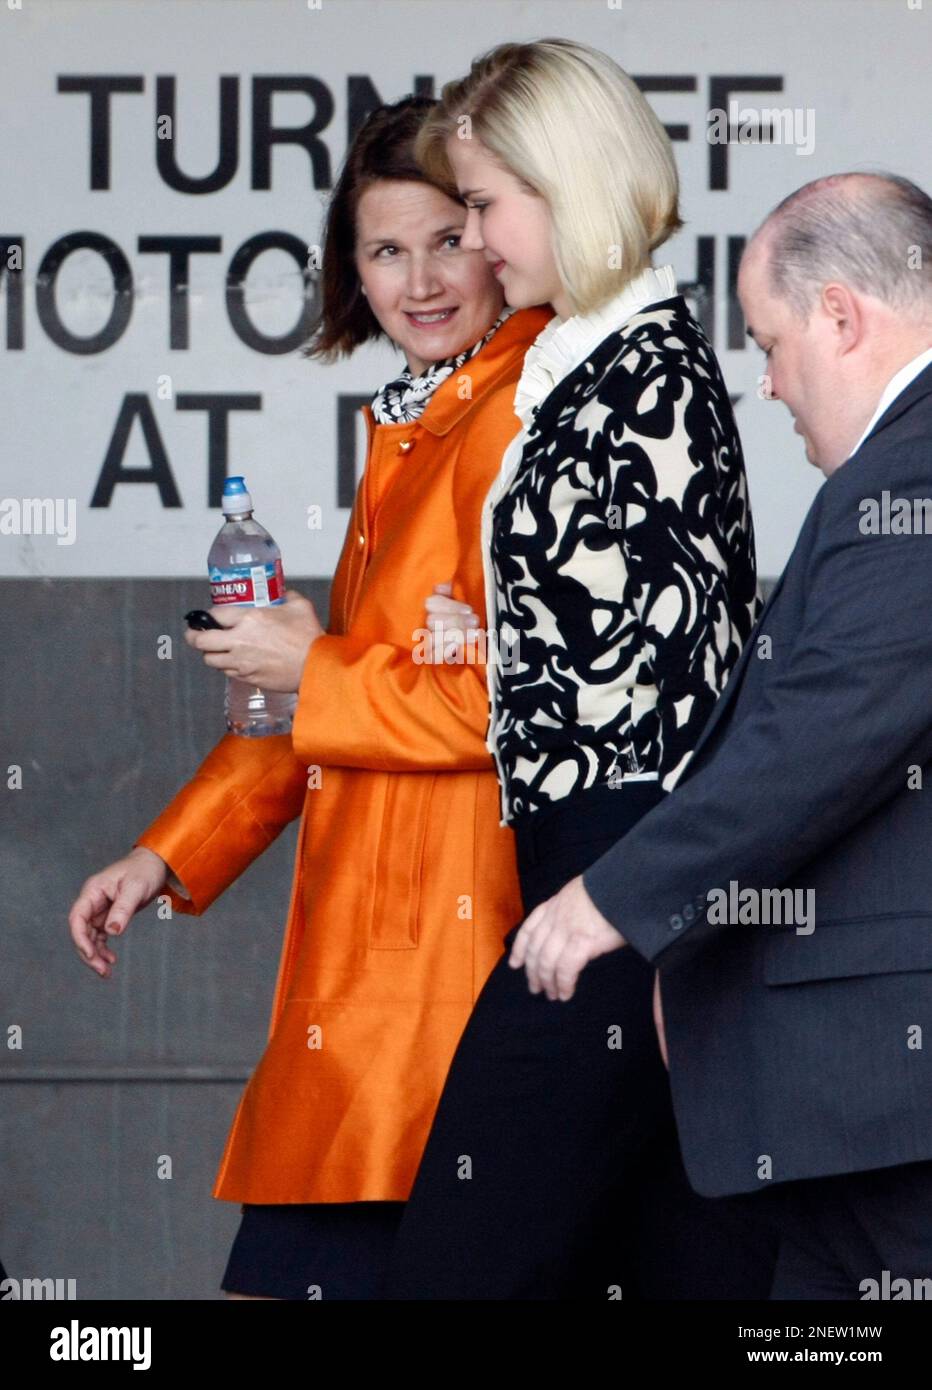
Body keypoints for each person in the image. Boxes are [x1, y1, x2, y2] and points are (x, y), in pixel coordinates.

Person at [66, 95, 552, 1301]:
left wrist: (312, 668)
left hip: (444, 972)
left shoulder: (522, 414)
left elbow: (515, 702)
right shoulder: (415, 426)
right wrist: (164, 853)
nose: (421, 279)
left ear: (503, 233)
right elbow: (330, 697)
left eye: (450, 236)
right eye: (386, 250)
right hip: (368, 980)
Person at [385, 40, 776, 1300]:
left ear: (570, 184)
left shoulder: (638, 373)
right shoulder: (591, 359)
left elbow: (680, 694)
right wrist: (500, 642)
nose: (476, 242)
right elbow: (631, 637)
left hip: (611, 878)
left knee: (462, 1260)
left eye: (487, 206)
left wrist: (626, 903)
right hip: (603, 874)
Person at [509, 171, 932, 1300]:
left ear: (841, 315)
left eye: (771, 340)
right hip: (859, 1104)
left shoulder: (918, 467)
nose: (767, 381)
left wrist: (616, 896)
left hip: (889, 1095)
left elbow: (825, 730)